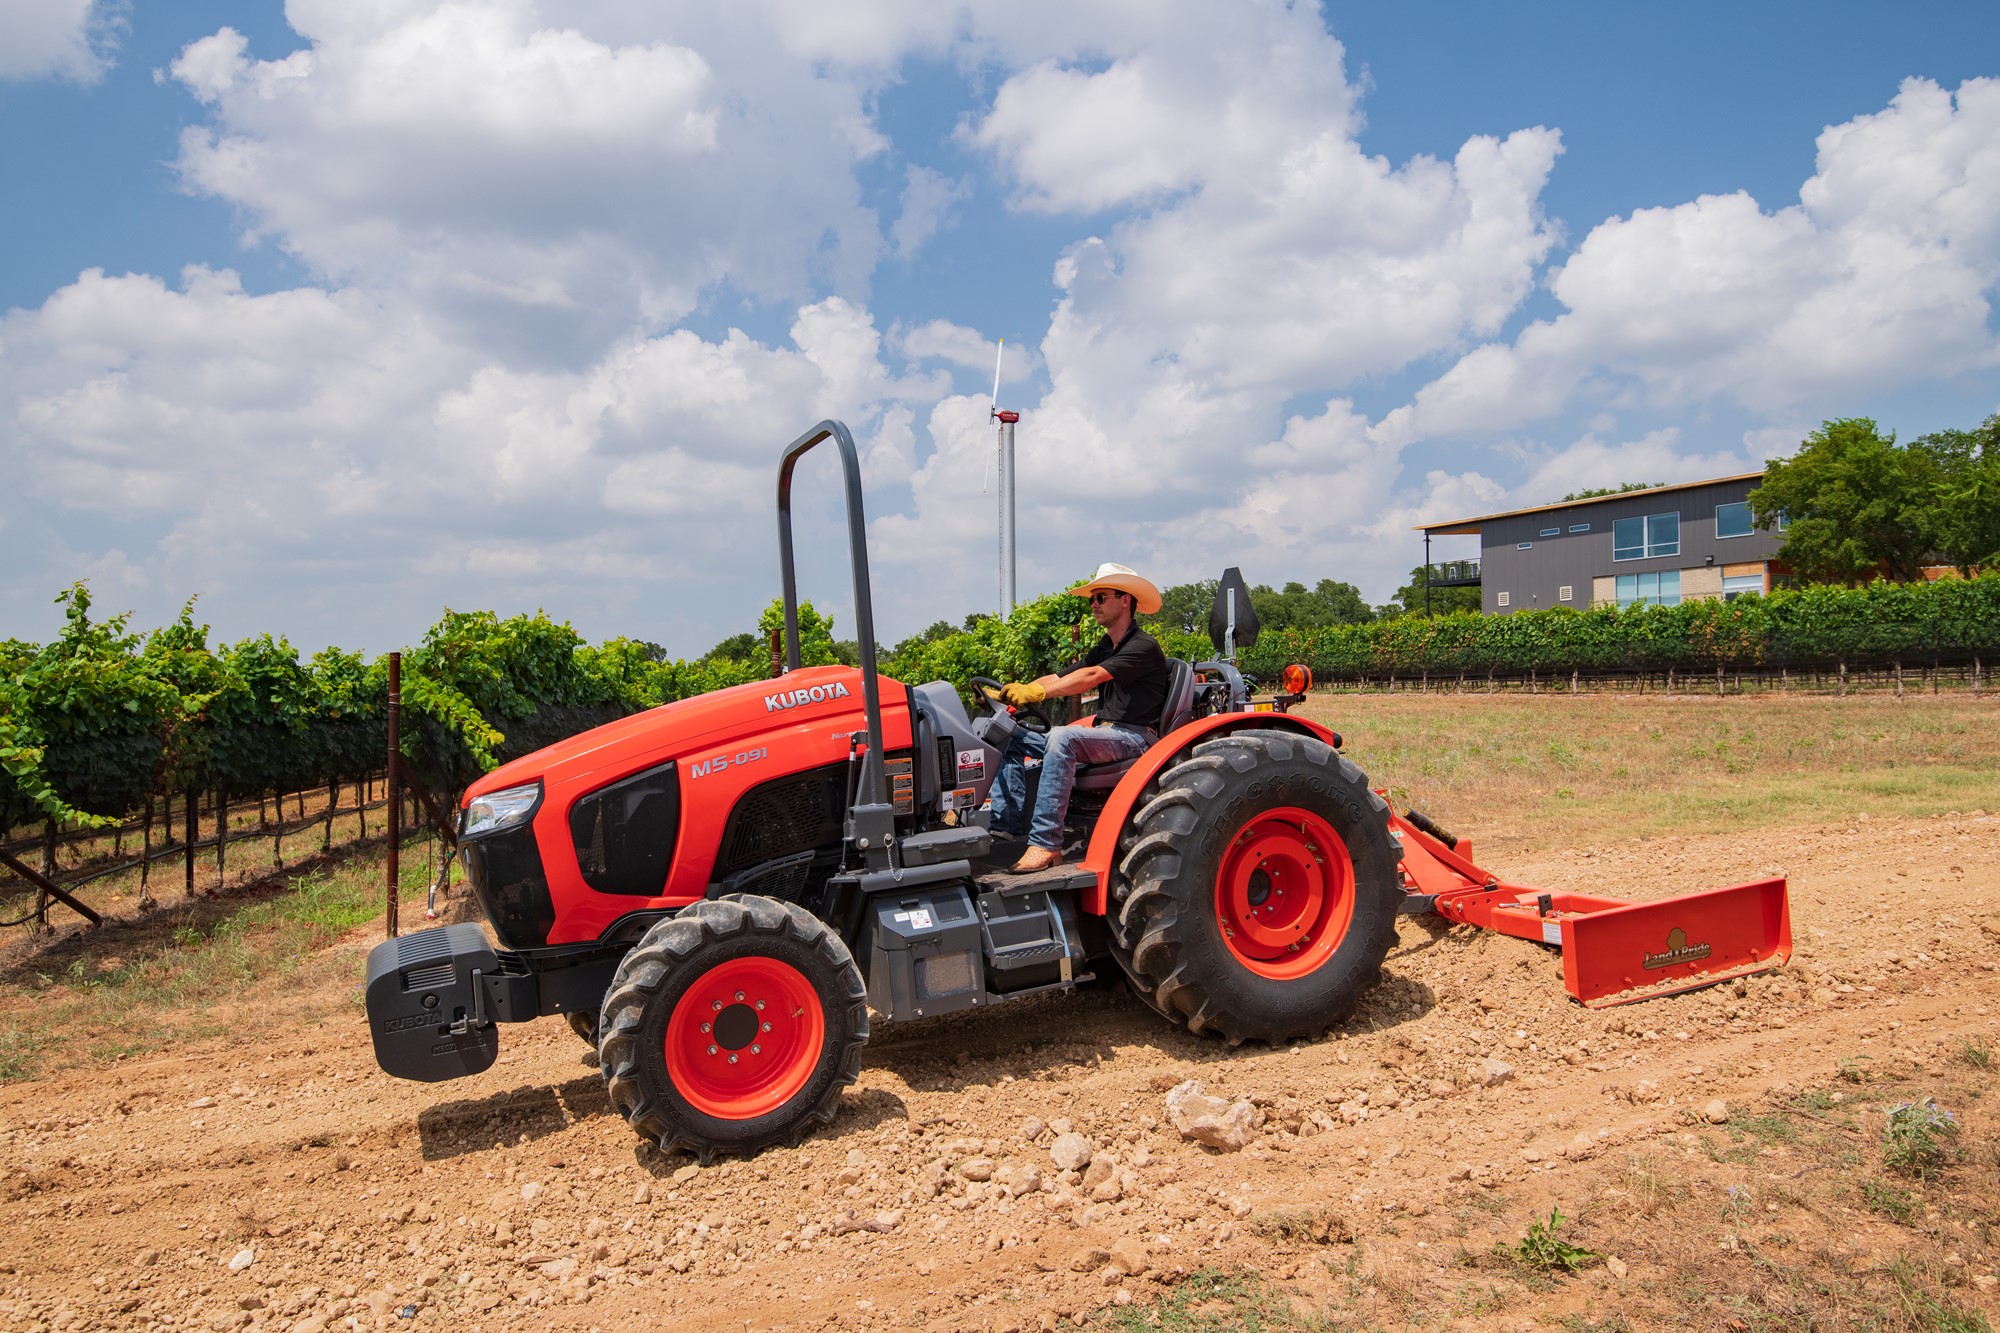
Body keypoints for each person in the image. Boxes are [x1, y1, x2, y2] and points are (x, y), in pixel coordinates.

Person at [988, 563, 1169, 873]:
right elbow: (1060, 675)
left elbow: (1092, 675)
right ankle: (1005, 828)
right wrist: (1018, 690)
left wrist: (1039, 695)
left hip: (1134, 738)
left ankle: (1046, 844)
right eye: (1092, 599)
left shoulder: (1143, 646)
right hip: (1105, 734)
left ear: (1125, 600)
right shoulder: (1107, 647)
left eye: (1100, 597)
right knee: (1007, 734)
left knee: (1063, 737)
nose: (1094, 605)